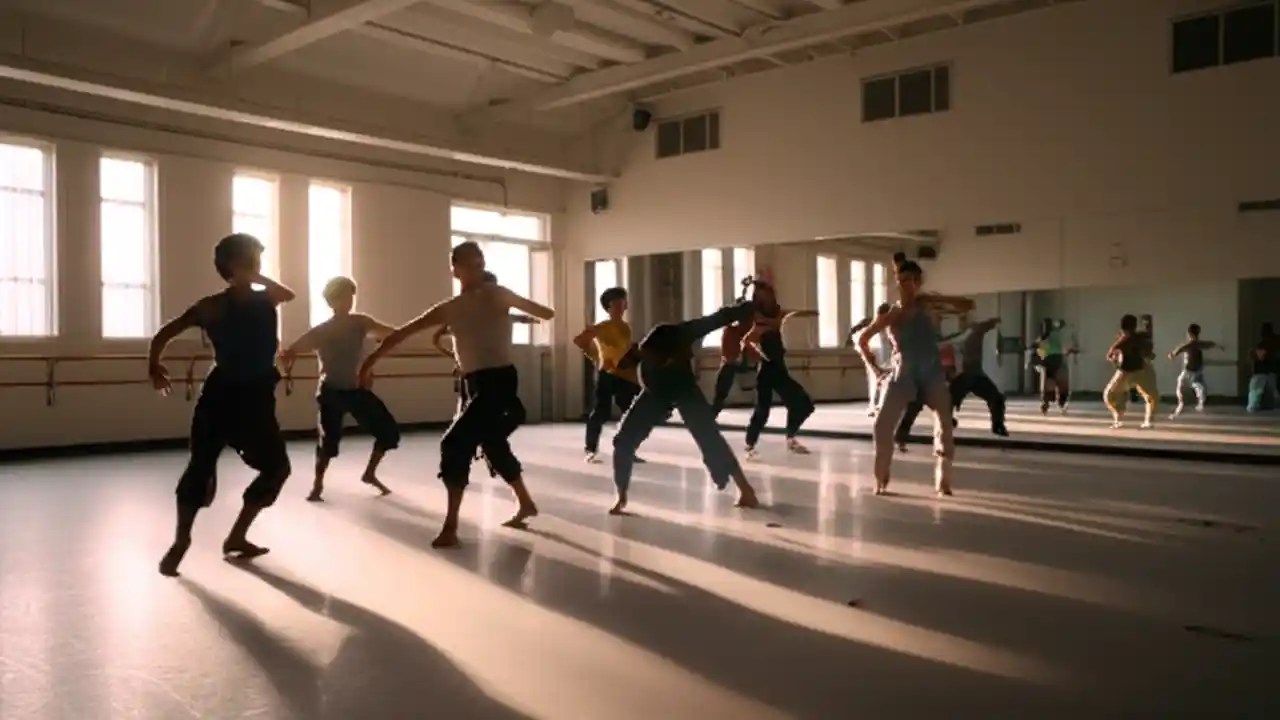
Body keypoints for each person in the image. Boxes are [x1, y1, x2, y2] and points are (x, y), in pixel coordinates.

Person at [360, 242, 554, 548]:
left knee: (454, 442)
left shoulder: (497, 294)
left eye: (480, 263)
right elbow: (403, 333)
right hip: (473, 383)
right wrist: (369, 363)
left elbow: (547, 313)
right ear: (455, 270)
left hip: (499, 381)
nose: (476, 269)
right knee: (491, 443)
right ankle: (525, 503)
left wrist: (513, 302)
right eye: (469, 264)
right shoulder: (450, 307)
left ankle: (450, 526)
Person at [148, 233, 295, 577]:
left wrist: (253, 277)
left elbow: (287, 294)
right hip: (221, 395)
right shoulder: (212, 306)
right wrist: (154, 365)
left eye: (256, 261)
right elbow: (166, 332)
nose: (255, 265)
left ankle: (237, 536)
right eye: (250, 260)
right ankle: (181, 541)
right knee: (200, 467)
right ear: (230, 266)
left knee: (276, 468)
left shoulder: (266, 298)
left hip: (256, 397)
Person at [610, 301, 760, 515]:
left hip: (684, 389)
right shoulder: (642, 352)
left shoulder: (682, 333)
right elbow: (622, 367)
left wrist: (746, 309)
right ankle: (621, 495)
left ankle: (746, 490)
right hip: (656, 392)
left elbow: (717, 319)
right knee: (623, 441)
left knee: (709, 437)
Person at [281, 276, 399, 502]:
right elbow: (294, 349)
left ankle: (369, 473)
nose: (348, 301)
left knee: (388, 433)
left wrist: (411, 331)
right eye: (343, 297)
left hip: (357, 390)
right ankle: (317, 485)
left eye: (350, 297)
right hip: (331, 392)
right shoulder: (322, 331)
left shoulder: (360, 322)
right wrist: (286, 355)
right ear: (331, 302)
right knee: (328, 443)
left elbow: (390, 332)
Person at [856, 259, 955, 496]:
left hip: (931, 372)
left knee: (944, 421)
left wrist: (935, 300)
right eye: (900, 281)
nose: (904, 286)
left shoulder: (929, 309)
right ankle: (881, 478)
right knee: (882, 425)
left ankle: (943, 479)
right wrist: (876, 369)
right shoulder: (893, 314)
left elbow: (964, 306)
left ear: (918, 283)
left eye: (909, 281)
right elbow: (862, 339)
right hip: (904, 374)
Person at [740, 280, 818, 458]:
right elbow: (746, 341)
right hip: (767, 371)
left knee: (803, 404)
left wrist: (808, 313)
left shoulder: (777, 314)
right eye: (764, 295)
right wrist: (760, 355)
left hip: (779, 370)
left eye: (769, 294)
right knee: (763, 410)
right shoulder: (758, 321)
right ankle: (750, 444)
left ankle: (790, 437)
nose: (768, 297)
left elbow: (790, 313)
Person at [574, 287, 643, 463]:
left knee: (630, 414)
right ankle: (590, 449)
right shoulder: (603, 326)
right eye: (616, 303)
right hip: (607, 374)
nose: (621, 305)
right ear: (608, 307)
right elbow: (580, 340)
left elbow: (623, 350)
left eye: (623, 302)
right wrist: (597, 357)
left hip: (626, 376)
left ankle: (626, 449)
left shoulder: (625, 327)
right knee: (600, 411)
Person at [950, 315, 1007, 435]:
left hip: (975, 375)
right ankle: (947, 420)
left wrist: (993, 321)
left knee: (996, 398)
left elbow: (983, 326)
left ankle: (998, 424)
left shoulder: (975, 332)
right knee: (948, 399)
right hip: (964, 375)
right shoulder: (959, 336)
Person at [1103, 314, 1158, 429]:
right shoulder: (1135, 338)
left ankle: (1121, 417)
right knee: (1151, 396)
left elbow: (1109, 355)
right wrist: (1148, 323)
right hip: (1132, 371)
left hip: (1132, 371)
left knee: (1109, 395)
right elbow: (1148, 336)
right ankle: (1124, 417)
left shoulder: (1127, 339)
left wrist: (1115, 359)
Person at [1167, 323, 1220, 418]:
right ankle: (1197, 403)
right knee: (1197, 387)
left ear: (1189, 334)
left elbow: (1177, 352)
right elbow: (1210, 344)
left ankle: (1186, 407)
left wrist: (1172, 355)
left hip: (1190, 372)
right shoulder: (1198, 345)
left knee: (1186, 390)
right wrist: (1217, 345)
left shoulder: (1189, 345)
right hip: (1195, 372)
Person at [848, 303, 892, 416]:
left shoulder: (890, 328)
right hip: (874, 353)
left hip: (885, 357)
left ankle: (879, 405)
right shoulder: (873, 330)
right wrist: (876, 369)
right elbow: (863, 344)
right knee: (875, 378)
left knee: (884, 380)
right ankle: (875, 404)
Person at [1030, 318, 1076, 415]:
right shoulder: (1045, 338)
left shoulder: (1046, 338)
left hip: (1052, 360)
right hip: (1052, 360)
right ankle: (1050, 403)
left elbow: (1035, 349)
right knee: (1053, 383)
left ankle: (1051, 403)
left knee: (1055, 383)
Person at [1247, 322, 1280, 412]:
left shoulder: (1264, 344)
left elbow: (1261, 357)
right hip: (1271, 372)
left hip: (1263, 372)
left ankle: (1255, 406)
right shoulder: (1275, 341)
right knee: (1271, 392)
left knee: (1257, 390)